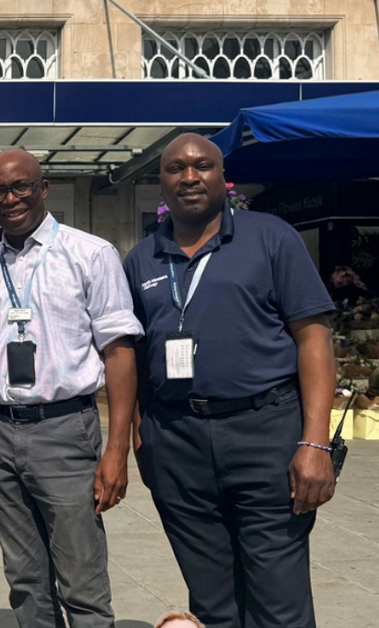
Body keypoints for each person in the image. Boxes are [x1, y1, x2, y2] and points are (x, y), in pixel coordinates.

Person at [124, 133, 336, 628]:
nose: (189, 177)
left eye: (202, 166)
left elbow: (314, 338)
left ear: (223, 177)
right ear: (162, 183)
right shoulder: (141, 260)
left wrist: (316, 442)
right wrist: (141, 434)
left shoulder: (270, 237)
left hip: (265, 433)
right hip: (178, 441)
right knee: (212, 601)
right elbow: (132, 355)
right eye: (176, 169)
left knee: (278, 601)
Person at [0, 149, 140, 628]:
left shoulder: (91, 254)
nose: (10, 198)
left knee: (81, 579)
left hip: (65, 429)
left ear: (43, 189)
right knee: (24, 579)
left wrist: (118, 449)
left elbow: (119, 353)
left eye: (21, 186)